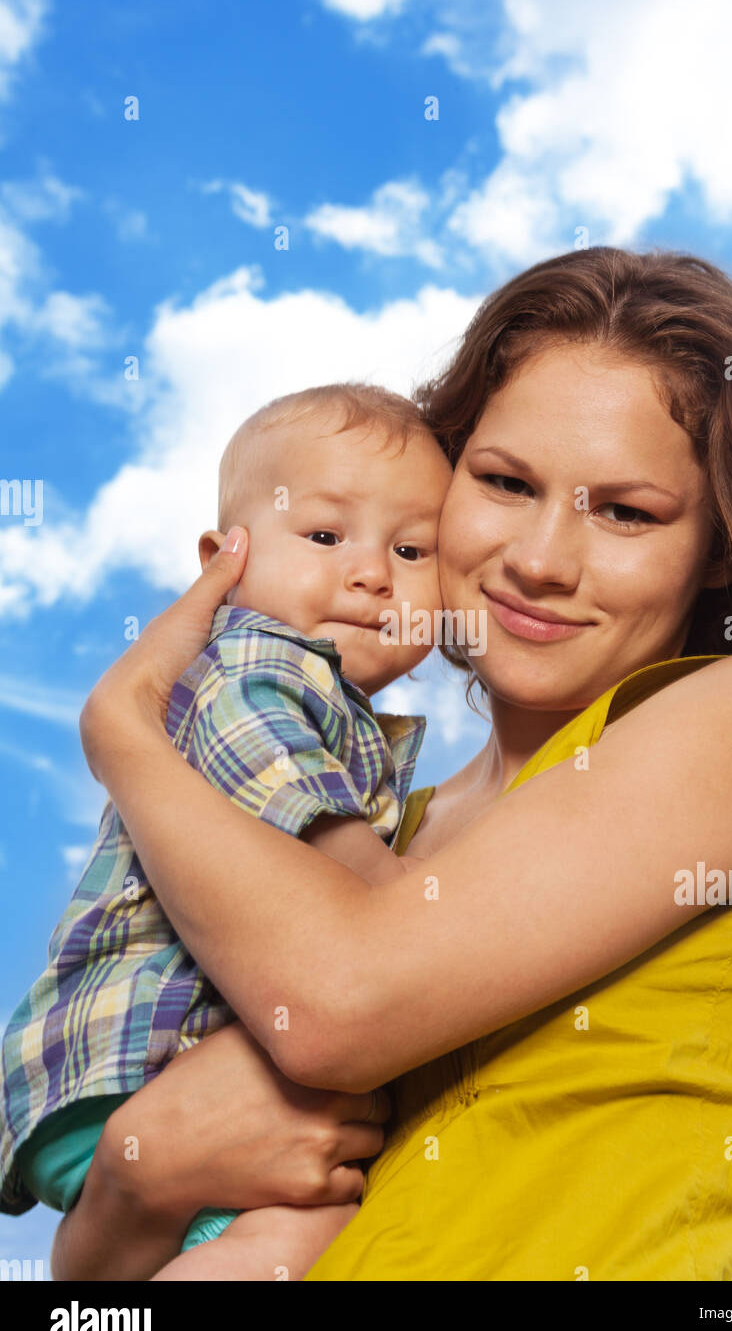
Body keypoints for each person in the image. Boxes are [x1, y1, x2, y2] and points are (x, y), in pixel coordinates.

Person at [52, 247, 732, 1281]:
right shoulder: (384, 825)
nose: (538, 557)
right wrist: (137, 1176)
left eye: (625, 511)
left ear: (714, 546)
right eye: (503, 481)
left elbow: (336, 1005)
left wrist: (125, 731)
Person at [0, 382, 454, 1280]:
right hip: (146, 1059)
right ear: (225, 558)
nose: (373, 573)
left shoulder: (339, 708)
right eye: (326, 536)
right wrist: (424, 915)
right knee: (298, 1244)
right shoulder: (255, 665)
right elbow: (313, 829)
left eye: (411, 549)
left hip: (149, 1086)